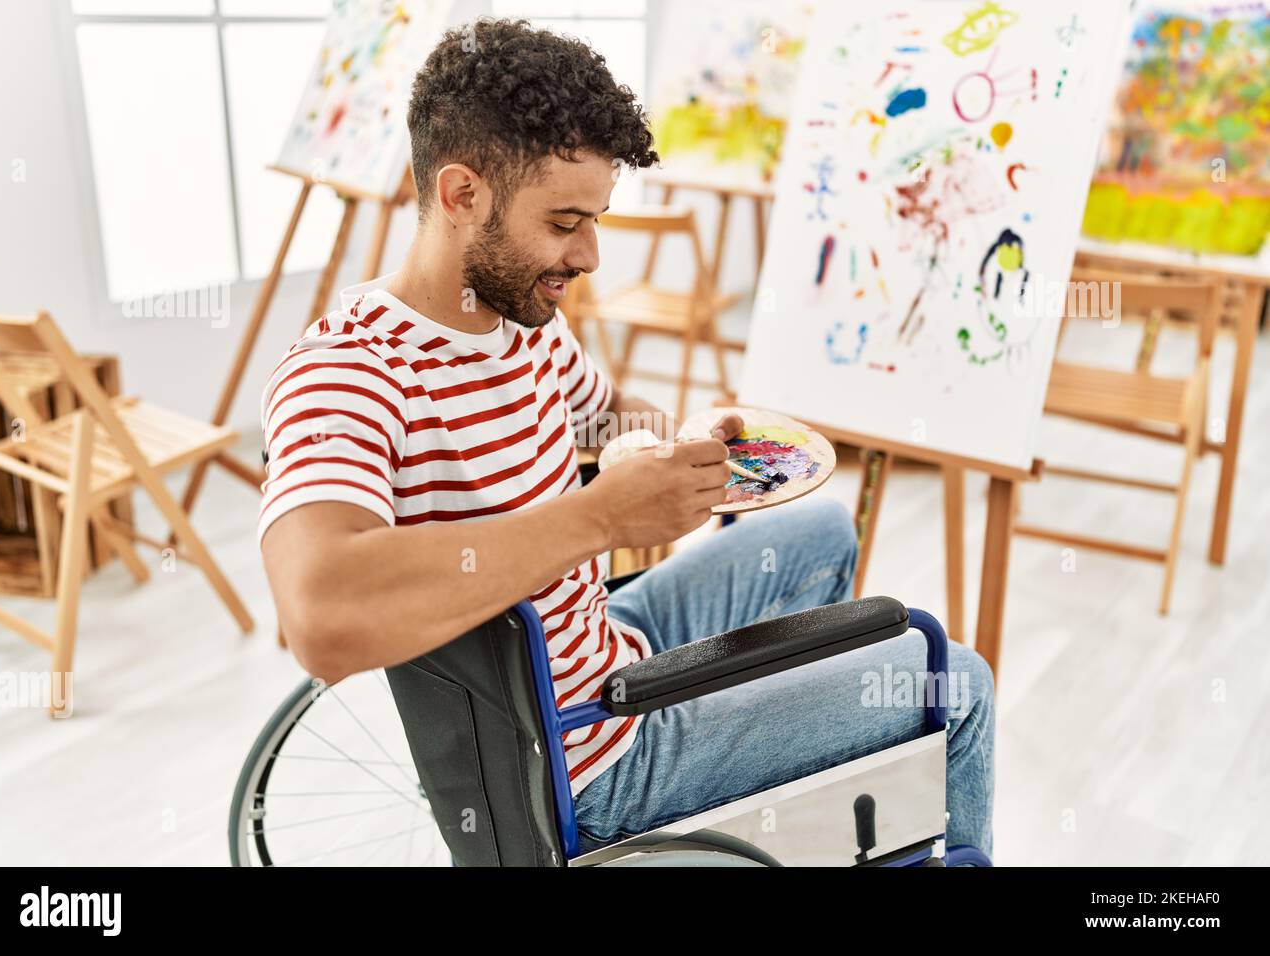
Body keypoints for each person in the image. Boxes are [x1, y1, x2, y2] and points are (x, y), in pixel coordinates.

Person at [257, 17, 994, 859]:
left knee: (823, 528)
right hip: (587, 756)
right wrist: (603, 520)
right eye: (566, 222)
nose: (592, 253)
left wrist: (685, 444)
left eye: (597, 219)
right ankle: (755, 784)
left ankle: (785, 791)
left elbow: (605, 415)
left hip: (605, 644)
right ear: (462, 196)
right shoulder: (348, 372)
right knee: (955, 680)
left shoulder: (517, 317)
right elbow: (319, 615)